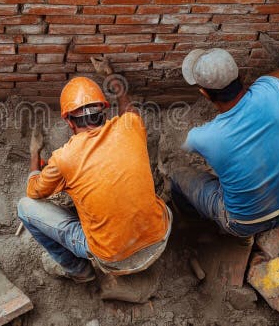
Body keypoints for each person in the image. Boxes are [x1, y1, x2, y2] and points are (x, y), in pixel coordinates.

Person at [17, 62, 171, 282]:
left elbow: (34, 192)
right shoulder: (131, 126)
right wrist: (112, 76)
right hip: (160, 238)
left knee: (25, 207)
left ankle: (79, 271)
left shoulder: (63, 158)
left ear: (69, 121)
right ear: (104, 111)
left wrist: (34, 155)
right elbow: (128, 108)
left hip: (114, 259)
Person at [170, 35, 279, 241]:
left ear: (205, 94)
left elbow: (178, 147)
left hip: (244, 223)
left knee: (177, 175)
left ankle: (195, 227)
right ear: (240, 77)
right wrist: (269, 41)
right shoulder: (269, 92)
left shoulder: (204, 137)